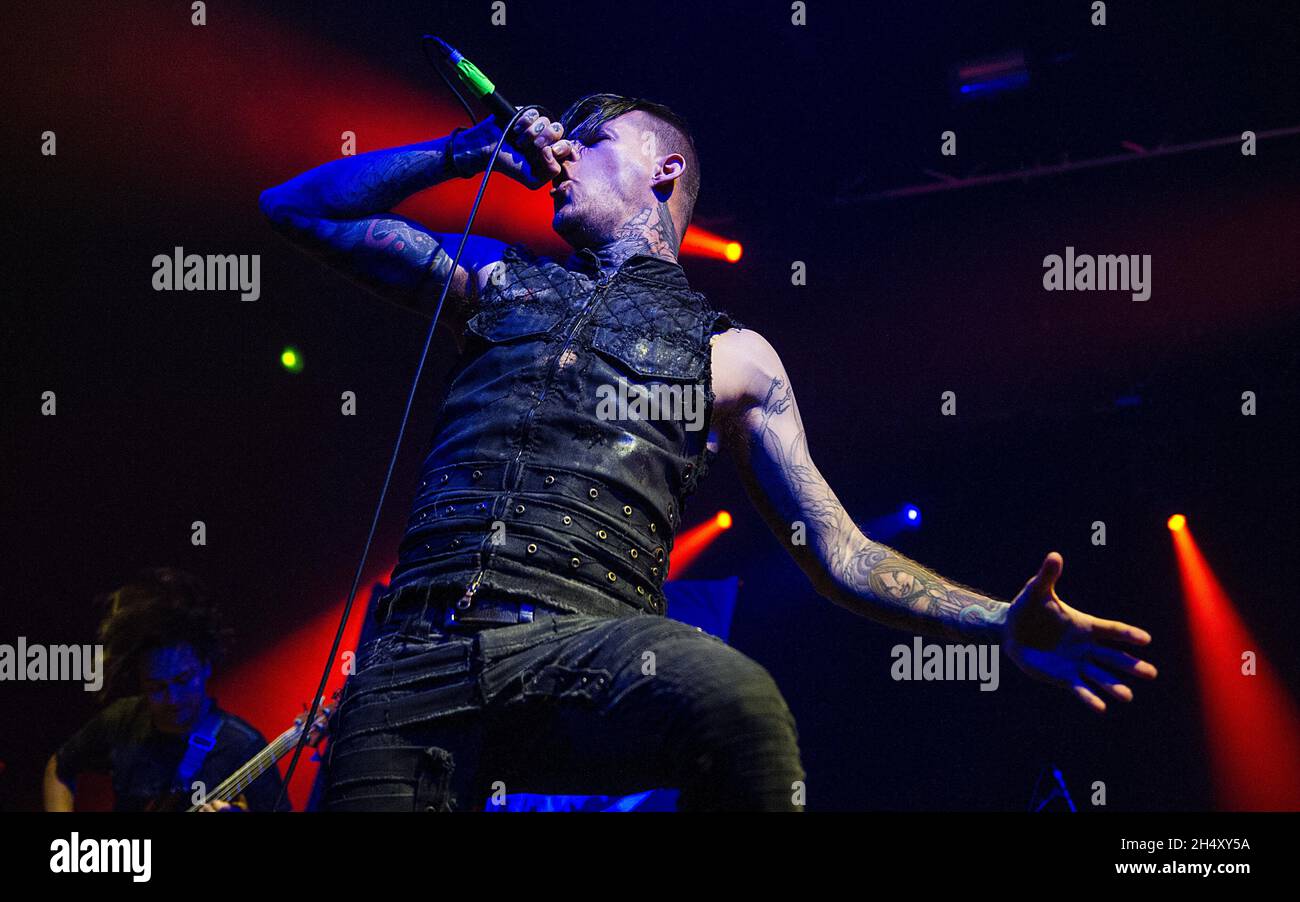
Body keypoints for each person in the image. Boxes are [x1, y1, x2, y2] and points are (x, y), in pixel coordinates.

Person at [259, 93, 1158, 811]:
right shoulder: (496, 278)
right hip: (412, 662)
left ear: (665, 170)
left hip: (582, 646)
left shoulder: (734, 356)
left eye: (590, 139)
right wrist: (464, 153)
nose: (560, 153)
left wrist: (997, 621)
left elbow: (840, 551)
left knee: (737, 703)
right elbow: (295, 206)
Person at [43, 567, 289, 812]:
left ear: (206, 665)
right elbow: (59, 767)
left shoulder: (243, 746)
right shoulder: (122, 720)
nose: (173, 698)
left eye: (183, 680)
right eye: (157, 686)